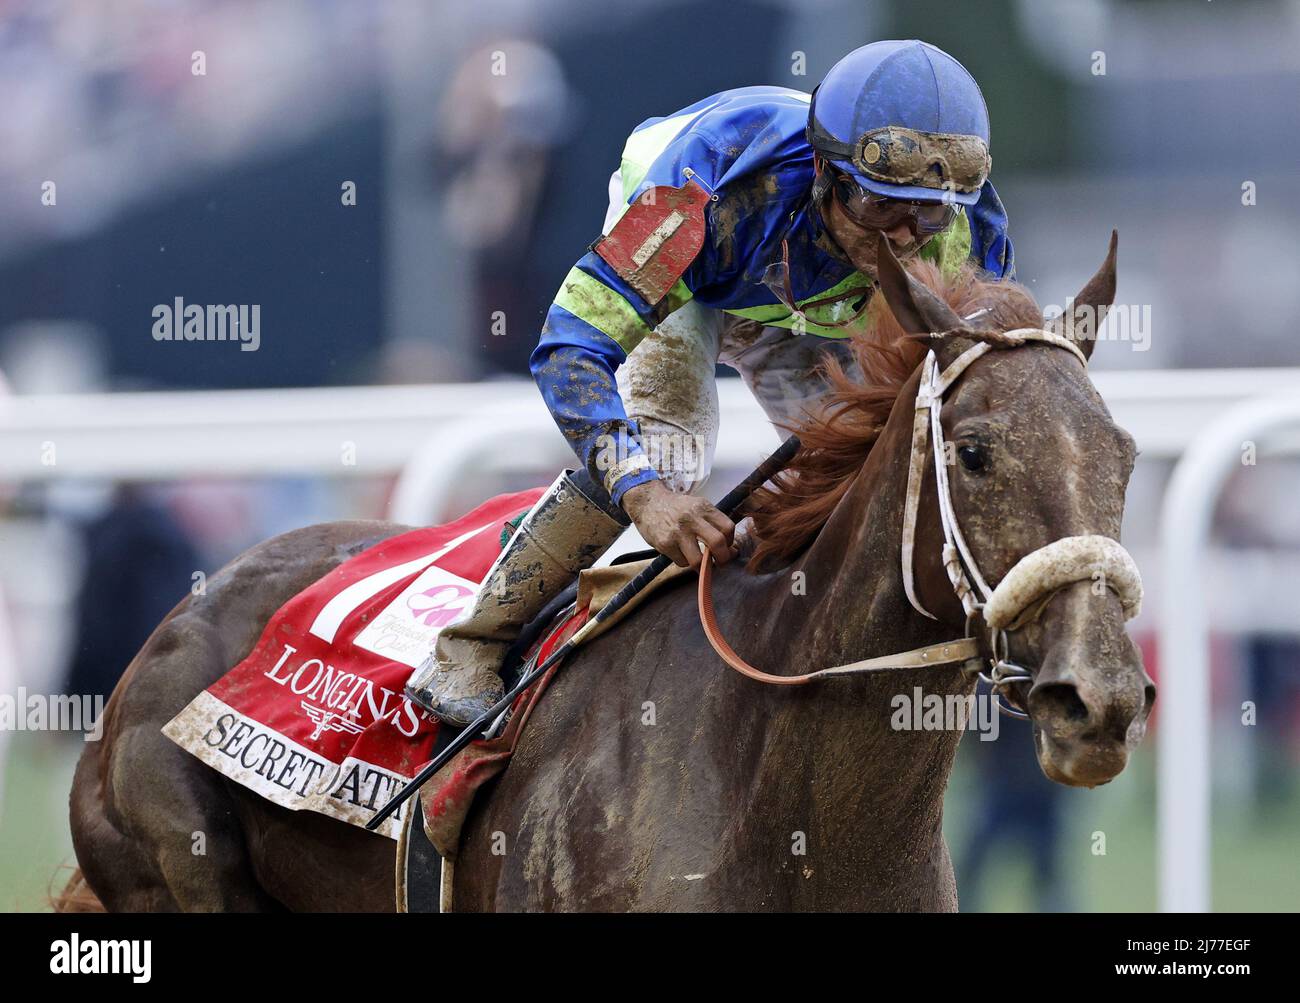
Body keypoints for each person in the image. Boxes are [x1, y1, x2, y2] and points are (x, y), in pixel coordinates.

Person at [407, 39, 1015, 725]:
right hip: (700, 270)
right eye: (881, 209)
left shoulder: (968, 230)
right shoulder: (705, 188)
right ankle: (468, 646)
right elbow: (568, 349)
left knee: (864, 467)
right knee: (668, 453)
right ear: (825, 172)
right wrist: (645, 494)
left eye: (928, 212)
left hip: (802, 299)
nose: (906, 237)